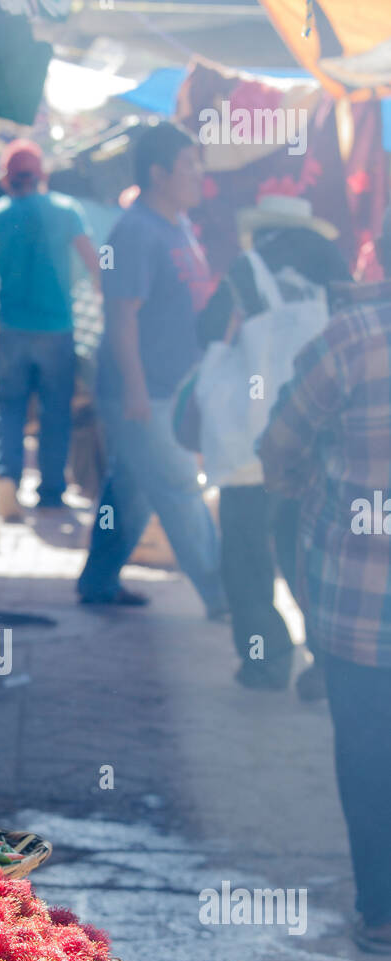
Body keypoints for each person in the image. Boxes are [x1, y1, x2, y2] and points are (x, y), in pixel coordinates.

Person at [257, 208, 391, 954]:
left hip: (357, 598)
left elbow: (279, 440)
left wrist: (303, 485)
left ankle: (382, 910)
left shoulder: (351, 339)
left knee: (369, 753)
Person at [185, 197, 350, 692]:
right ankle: (327, 660)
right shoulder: (330, 262)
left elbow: (209, 329)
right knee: (307, 549)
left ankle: (267, 657)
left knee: (246, 549)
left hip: (250, 439)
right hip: (316, 432)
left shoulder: (248, 266)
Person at [77, 122, 225, 614]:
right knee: (181, 489)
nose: (198, 174)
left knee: (132, 488)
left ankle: (97, 582)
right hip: (144, 391)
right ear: (159, 174)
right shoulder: (135, 230)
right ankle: (225, 597)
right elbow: (121, 316)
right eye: (189, 165)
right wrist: (136, 391)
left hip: (170, 385)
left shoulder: (177, 225)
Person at [0, 139, 100, 518]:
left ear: (6, 179)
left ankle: (8, 479)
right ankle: (51, 491)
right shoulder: (67, 211)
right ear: (41, 174)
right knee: (55, 411)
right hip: (57, 330)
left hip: (11, 329)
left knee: (9, 406)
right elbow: (95, 266)